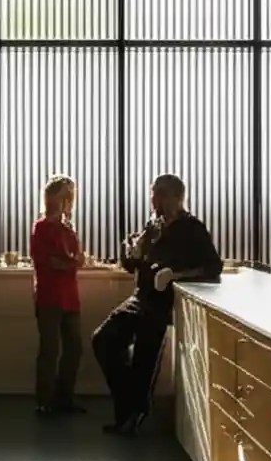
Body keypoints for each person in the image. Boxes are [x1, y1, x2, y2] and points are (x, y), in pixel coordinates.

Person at [92, 174, 222, 436]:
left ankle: (129, 418)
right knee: (103, 340)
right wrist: (131, 252)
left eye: (159, 194)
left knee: (144, 359)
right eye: (153, 194)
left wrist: (176, 275)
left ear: (176, 197)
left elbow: (213, 268)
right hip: (139, 298)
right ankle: (135, 403)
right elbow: (132, 266)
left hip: (162, 304)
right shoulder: (152, 226)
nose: (154, 200)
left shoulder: (193, 228)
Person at [30, 175, 87, 416]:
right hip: (50, 297)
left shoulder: (67, 230)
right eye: (65, 197)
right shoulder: (41, 227)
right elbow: (47, 261)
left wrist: (71, 261)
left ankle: (64, 397)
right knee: (50, 349)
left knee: (74, 347)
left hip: (69, 296)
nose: (68, 202)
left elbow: (78, 259)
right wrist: (69, 263)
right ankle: (45, 400)